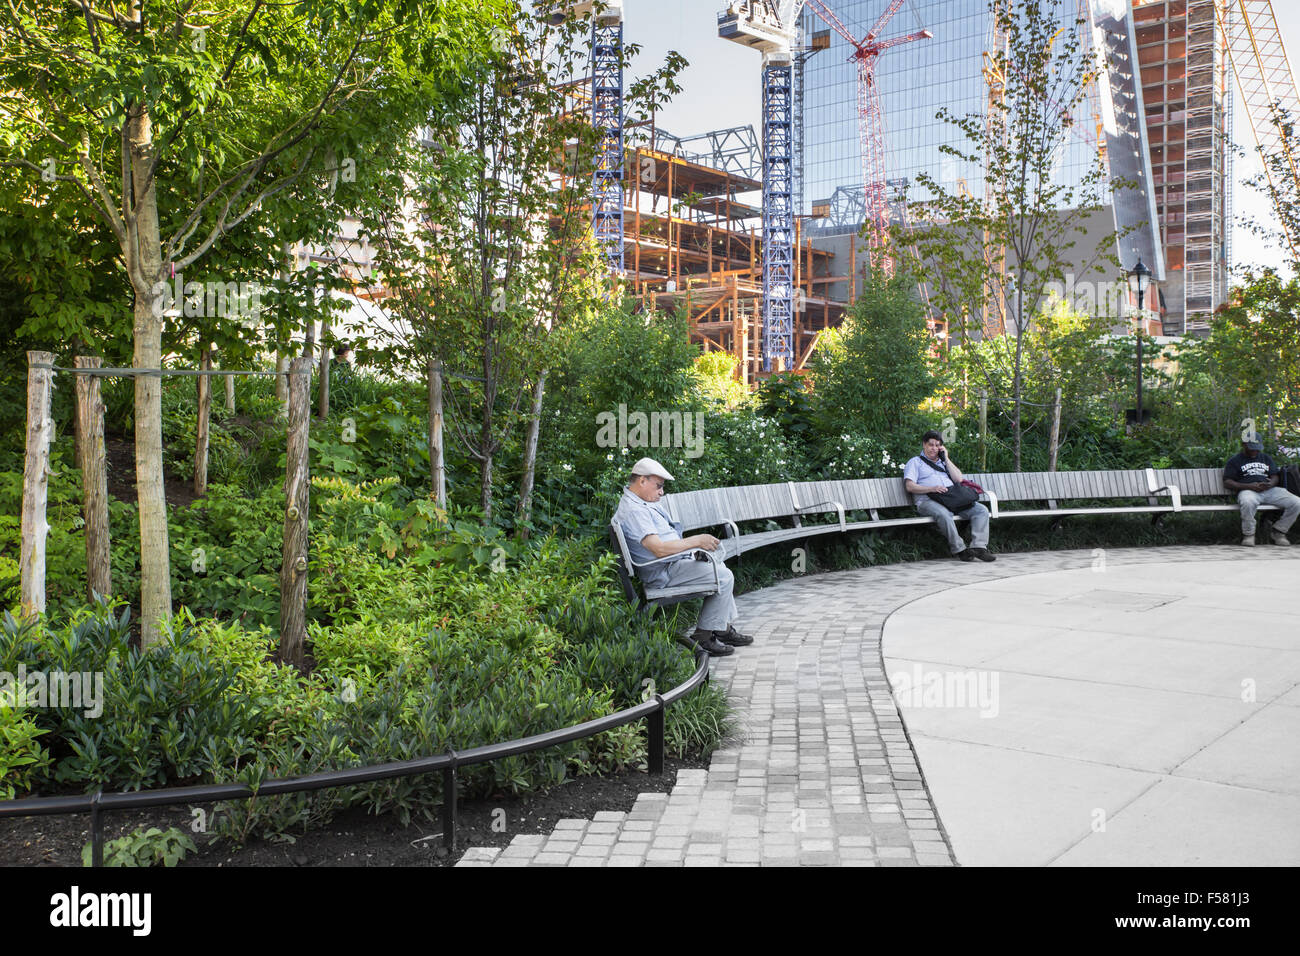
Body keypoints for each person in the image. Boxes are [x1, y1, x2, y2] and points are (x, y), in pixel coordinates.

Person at [613, 457, 753, 657]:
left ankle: (721, 628)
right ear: (642, 481)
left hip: (672, 563)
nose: (662, 492)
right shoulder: (634, 510)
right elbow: (658, 549)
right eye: (659, 486)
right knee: (723, 576)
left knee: (718, 566)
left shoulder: (642, 501)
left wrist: (691, 551)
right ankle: (703, 637)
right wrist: (696, 541)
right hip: (663, 572)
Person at [903, 430, 995, 562]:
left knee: (981, 510)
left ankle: (979, 547)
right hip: (927, 500)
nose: (934, 448)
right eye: (931, 445)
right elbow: (909, 486)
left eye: (937, 445)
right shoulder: (915, 462)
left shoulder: (943, 462)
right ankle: (960, 549)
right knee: (944, 514)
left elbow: (958, 479)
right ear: (924, 444)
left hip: (950, 499)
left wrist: (946, 458)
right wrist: (932, 488)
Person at [1223, 437, 1299, 546]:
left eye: (1257, 448)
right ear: (1244, 445)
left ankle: (1279, 532)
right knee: (1247, 502)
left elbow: (1275, 476)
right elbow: (1227, 482)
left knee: (1297, 502)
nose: (1255, 451)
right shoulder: (1234, 461)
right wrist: (1249, 486)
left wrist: (1270, 484)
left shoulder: (1265, 458)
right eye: (1252, 448)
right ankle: (1249, 535)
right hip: (1248, 490)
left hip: (1269, 490)